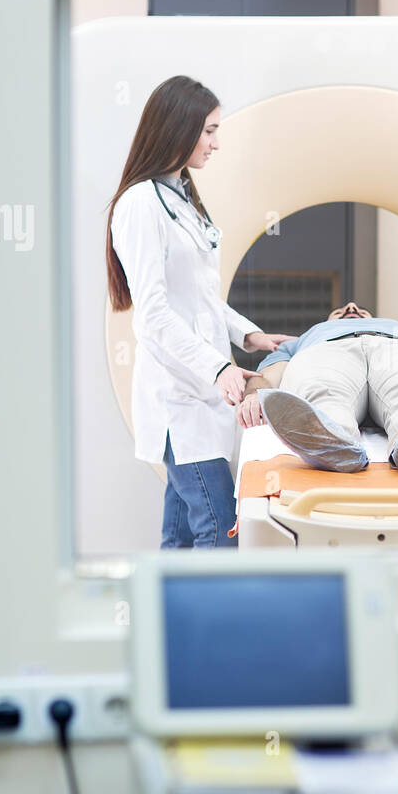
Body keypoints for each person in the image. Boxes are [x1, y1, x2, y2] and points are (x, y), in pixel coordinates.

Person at [106, 75, 291, 547]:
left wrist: (250, 336)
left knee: (183, 538)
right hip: (178, 398)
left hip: (202, 396)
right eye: (209, 131)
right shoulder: (141, 204)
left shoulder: (181, 196)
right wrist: (217, 368)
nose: (216, 143)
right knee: (220, 533)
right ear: (179, 127)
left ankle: (168, 600)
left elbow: (200, 297)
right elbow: (153, 314)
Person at [239, 301, 398, 472]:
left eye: (360, 310)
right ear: (327, 321)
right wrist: (253, 395)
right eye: (340, 311)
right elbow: (266, 375)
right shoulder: (303, 339)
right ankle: (333, 441)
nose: (351, 307)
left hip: (396, 348)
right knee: (321, 394)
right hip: (327, 350)